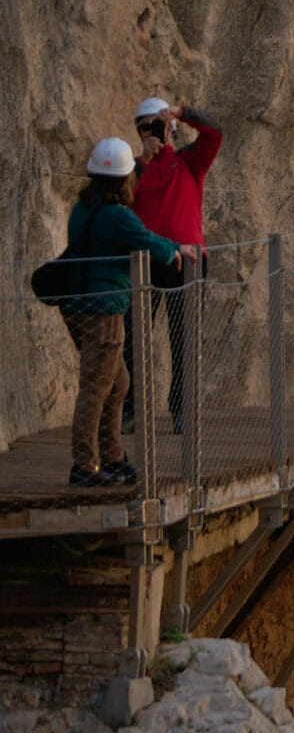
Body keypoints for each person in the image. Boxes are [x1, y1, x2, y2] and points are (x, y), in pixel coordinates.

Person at [61, 139, 194, 488]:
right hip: (105, 312)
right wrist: (175, 250)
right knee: (96, 387)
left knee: (117, 383)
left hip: (78, 307)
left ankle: (113, 457)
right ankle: (85, 466)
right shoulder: (116, 215)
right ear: (123, 180)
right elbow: (147, 238)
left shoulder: (82, 209)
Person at [129, 95, 223, 431]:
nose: (150, 130)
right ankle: (130, 410)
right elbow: (121, 197)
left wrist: (183, 113)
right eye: (144, 126)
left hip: (189, 263)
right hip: (146, 262)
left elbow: (215, 132)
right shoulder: (134, 168)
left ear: (169, 127)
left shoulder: (188, 161)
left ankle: (181, 411)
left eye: (156, 124)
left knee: (184, 340)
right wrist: (144, 159)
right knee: (133, 338)